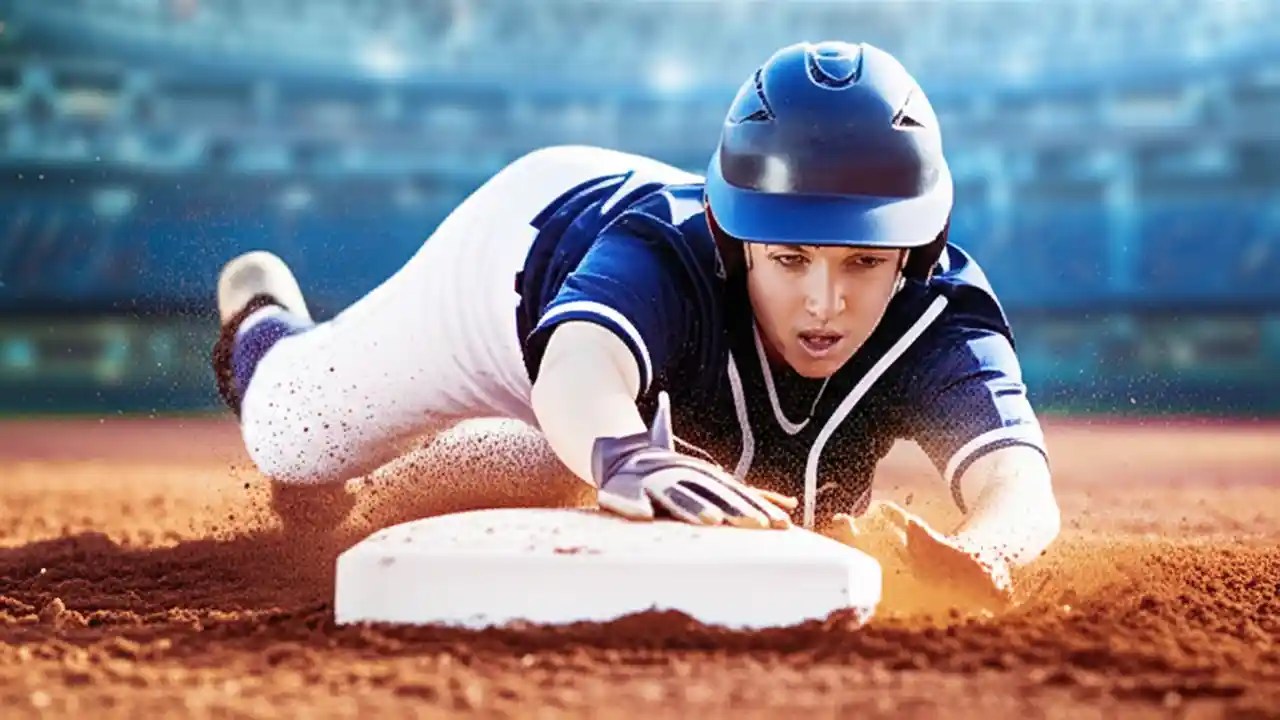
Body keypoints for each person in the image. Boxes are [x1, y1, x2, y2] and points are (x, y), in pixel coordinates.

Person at [211, 41, 1060, 598]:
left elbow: (1018, 483)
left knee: (594, 464)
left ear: (916, 248)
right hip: (505, 271)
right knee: (294, 434)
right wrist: (619, 453)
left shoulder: (940, 313)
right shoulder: (665, 254)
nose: (825, 303)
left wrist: (990, 546)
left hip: (616, 387)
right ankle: (263, 325)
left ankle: (544, 453)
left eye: (864, 260)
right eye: (790, 258)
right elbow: (578, 367)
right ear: (734, 238)